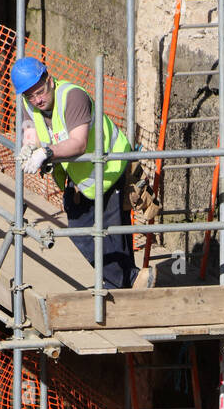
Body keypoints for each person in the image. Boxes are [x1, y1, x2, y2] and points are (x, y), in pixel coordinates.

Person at [10, 55, 152, 291]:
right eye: (30, 95)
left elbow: (78, 143)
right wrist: (29, 146)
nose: (38, 99)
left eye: (40, 91)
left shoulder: (72, 97)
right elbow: (31, 129)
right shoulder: (29, 103)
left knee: (111, 237)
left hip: (110, 169)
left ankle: (126, 283)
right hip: (83, 177)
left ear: (50, 80)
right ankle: (130, 282)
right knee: (85, 232)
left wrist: (46, 152)